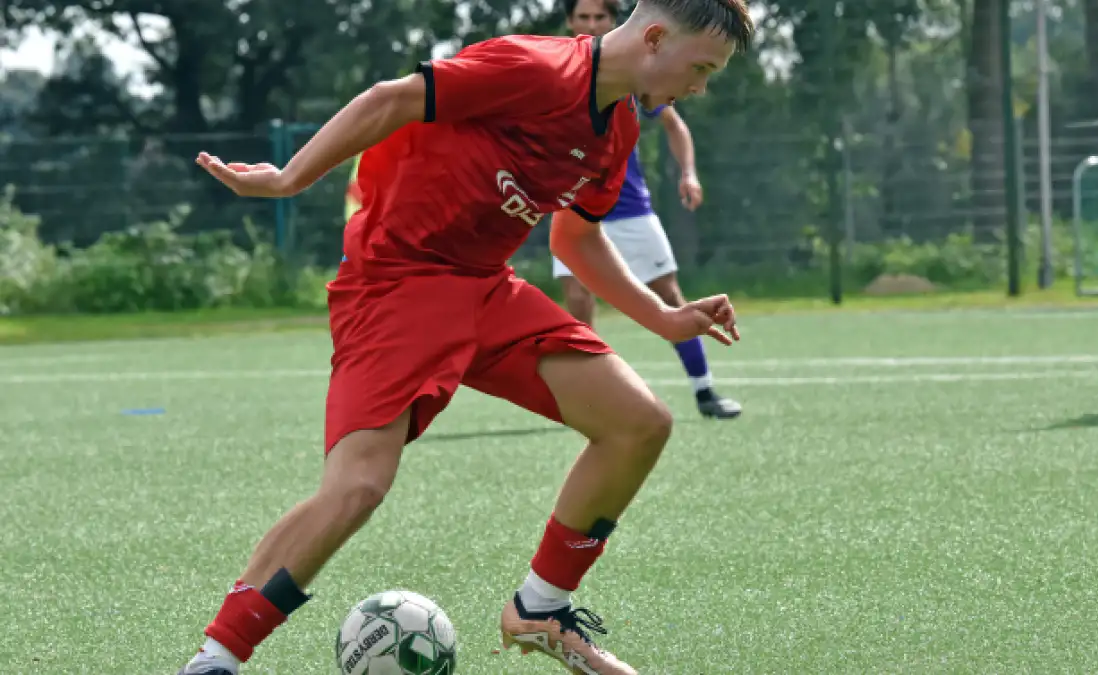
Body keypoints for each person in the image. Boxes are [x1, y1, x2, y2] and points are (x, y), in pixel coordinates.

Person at [178, 1, 755, 674]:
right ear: (655, 39)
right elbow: (390, 99)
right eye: (702, 68)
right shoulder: (534, 67)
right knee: (357, 487)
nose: (700, 88)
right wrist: (287, 178)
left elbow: (576, 235)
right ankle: (217, 656)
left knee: (639, 422)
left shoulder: (621, 125)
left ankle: (539, 609)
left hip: (484, 287)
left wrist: (663, 318)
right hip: (396, 282)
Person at [553, 0, 742, 420]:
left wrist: (688, 173)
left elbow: (675, 124)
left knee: (670, 297)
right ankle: (595, 400)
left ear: (615, 21)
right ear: (570, 22)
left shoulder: (636, 74)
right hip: (571, 211)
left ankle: (704, 389)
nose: (591, 24)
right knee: (578, 303)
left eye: (599, 17)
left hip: (630, 209)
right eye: (582, 17)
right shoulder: (555, 73)